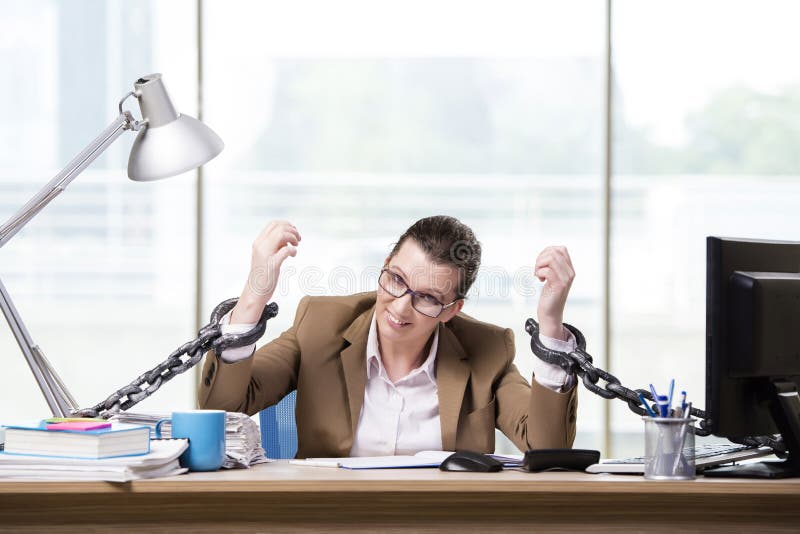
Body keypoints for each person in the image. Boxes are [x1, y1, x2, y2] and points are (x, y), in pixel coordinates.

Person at [198, 216, 578, 458]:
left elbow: (548, 447)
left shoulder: (486, 350)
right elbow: (223, 404)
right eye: (396, 280)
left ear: (451, 311)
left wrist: (550, 325)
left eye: (427, 298)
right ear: (384, 267)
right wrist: (254, 295)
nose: (399, 307)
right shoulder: (320, 324)